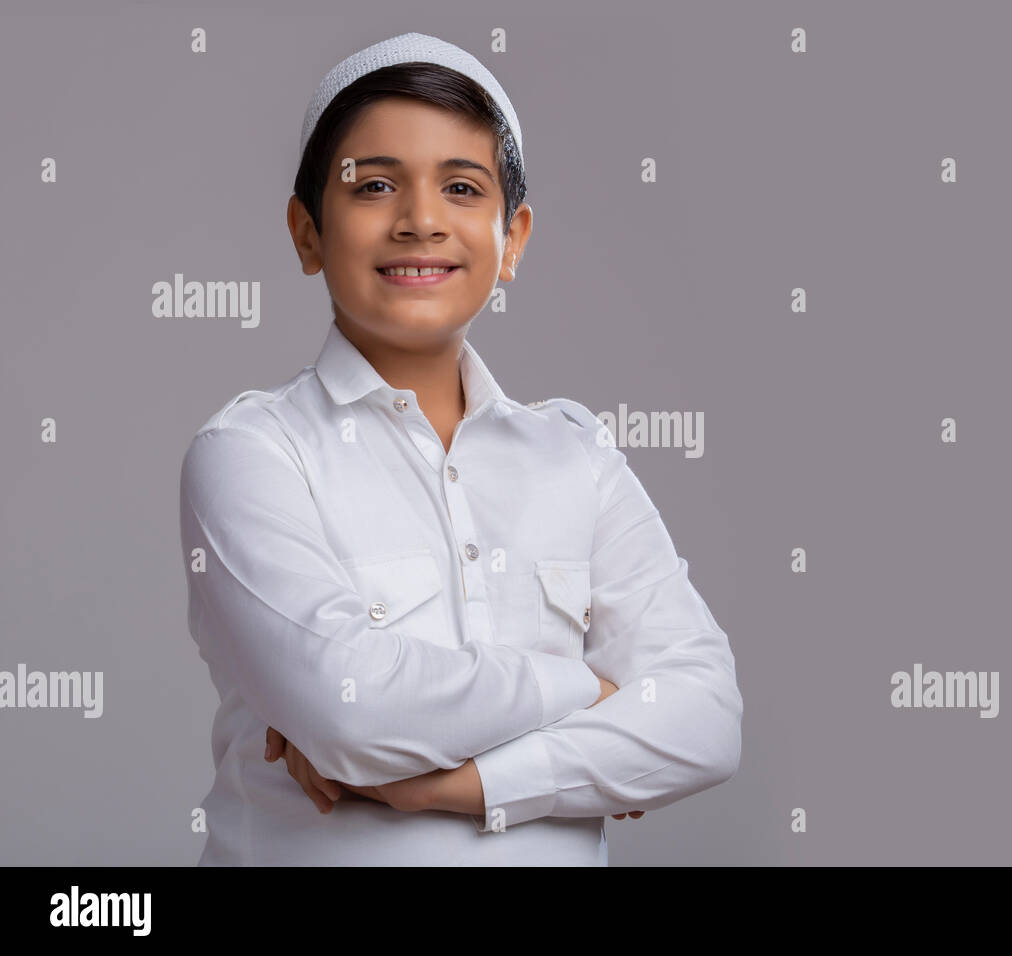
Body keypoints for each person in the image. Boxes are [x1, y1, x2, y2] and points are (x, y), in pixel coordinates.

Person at [178, 32, 743, 865]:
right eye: (373, 185)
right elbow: (349, 713)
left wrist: (463, 785)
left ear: (511, 238)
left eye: (461, 187)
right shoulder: (252, 453)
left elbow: (706, 720)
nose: (420, 220)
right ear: (307, 234)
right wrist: (593, 691)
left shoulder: (577, 458)